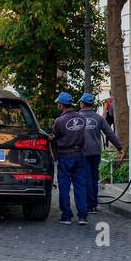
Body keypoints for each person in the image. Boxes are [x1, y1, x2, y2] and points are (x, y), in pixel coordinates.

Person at [78, 93, 122, 213]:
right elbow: (109, 133)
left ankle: (88, 205)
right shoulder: (99, 118)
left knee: (85, 178)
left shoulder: (77, 118)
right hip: (95, 153)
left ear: (82, 103)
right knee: (94, 178)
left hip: (82, 153)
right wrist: (119, 147)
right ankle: (94, 205)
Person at [52, 92, 91, 225]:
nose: (58, 105)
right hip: (80, 155)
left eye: (58, 103)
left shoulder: (59, 121)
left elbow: (55, 137)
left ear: (62, 105)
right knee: (80, 186)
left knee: (64, 186)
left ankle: (67, 216)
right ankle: (83, 216)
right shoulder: (82, 119)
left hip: (65, 155)